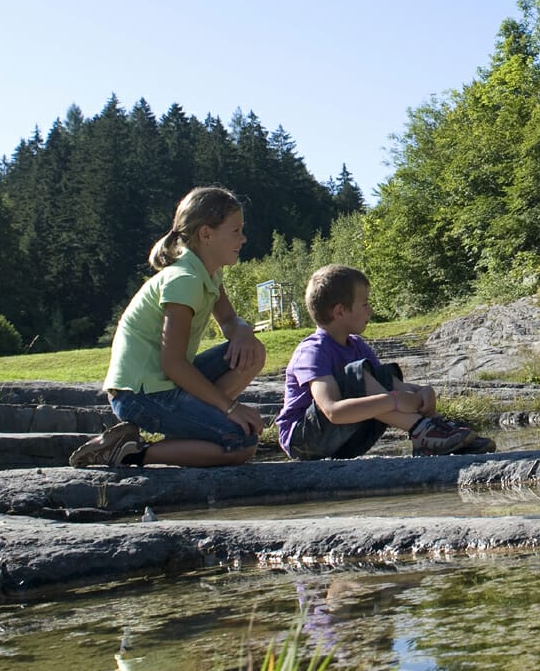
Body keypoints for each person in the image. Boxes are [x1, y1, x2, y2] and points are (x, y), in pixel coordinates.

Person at [70, 186, 269, 469]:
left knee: (253, 352)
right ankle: (132, 453)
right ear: (206, 234)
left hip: (165, 383)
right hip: (140, 395)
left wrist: (243, 331)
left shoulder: (209, 271)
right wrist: (231, 409)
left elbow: (228, 320)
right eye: (235, 231)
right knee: (240, 442)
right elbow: (173, 363)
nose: (244, 238)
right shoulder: (184, 279)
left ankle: (202, 423)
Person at [277, 264, 492, 459]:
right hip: (305, 442)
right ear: (340, 311)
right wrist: (394, 400)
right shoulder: (313, 351)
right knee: (357, 374)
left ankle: (436, 431)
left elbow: (382, 383)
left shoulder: (357, 345)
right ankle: (424, 432)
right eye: (365, 304)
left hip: (346, 440)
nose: (370, 310)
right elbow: (332, 410)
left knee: (380, 374)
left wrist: (421, 392)